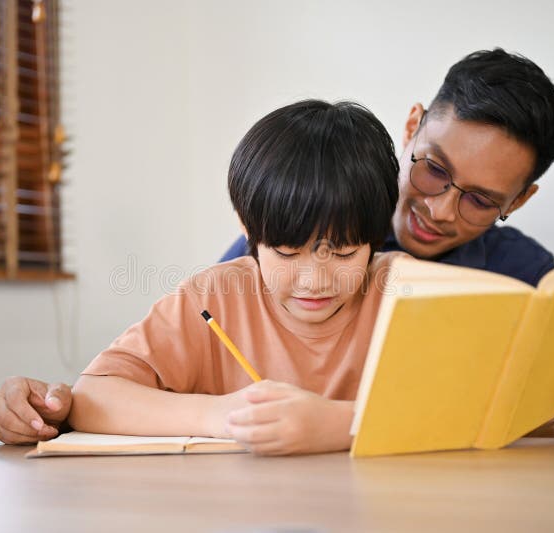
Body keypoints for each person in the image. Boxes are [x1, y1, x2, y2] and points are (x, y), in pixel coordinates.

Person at [0, 49, 554, 446]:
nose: (313, 276)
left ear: (516, 202)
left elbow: (481, 412)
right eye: (433, 171)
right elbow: (107, 391)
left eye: (477, 198)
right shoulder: (235, 281)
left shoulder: (424, 280)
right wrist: (227, 415)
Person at [68, 99, 403, 455]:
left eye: (344, 253)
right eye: (288, 253)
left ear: (375, 237)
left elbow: (465, 407)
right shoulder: (213, 297)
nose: (314, 281)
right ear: (249, 231)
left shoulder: (407, 290)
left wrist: (340, 425)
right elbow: (91, 397)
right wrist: (220, 415)